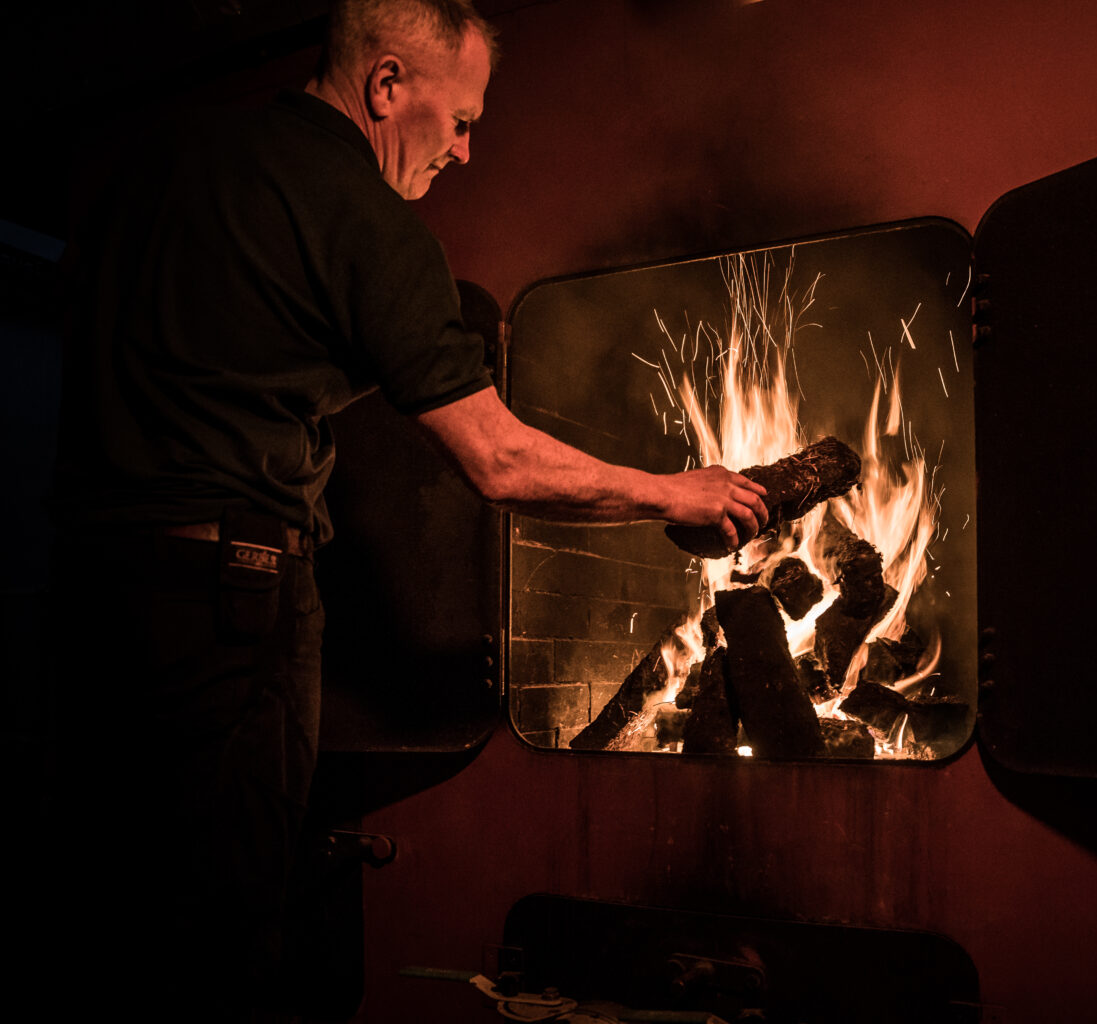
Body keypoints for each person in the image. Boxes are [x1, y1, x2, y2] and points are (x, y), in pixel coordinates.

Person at [45, 1, 767, 1019]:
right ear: (388, 86)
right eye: (462, 118)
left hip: (88, 594)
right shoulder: (362, 215)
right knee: (225, 930)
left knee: (104, 906)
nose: (467, 151)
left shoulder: (170, 161)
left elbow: (167, 345)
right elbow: (499, 459)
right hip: (229, 599)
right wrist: (671, 490)